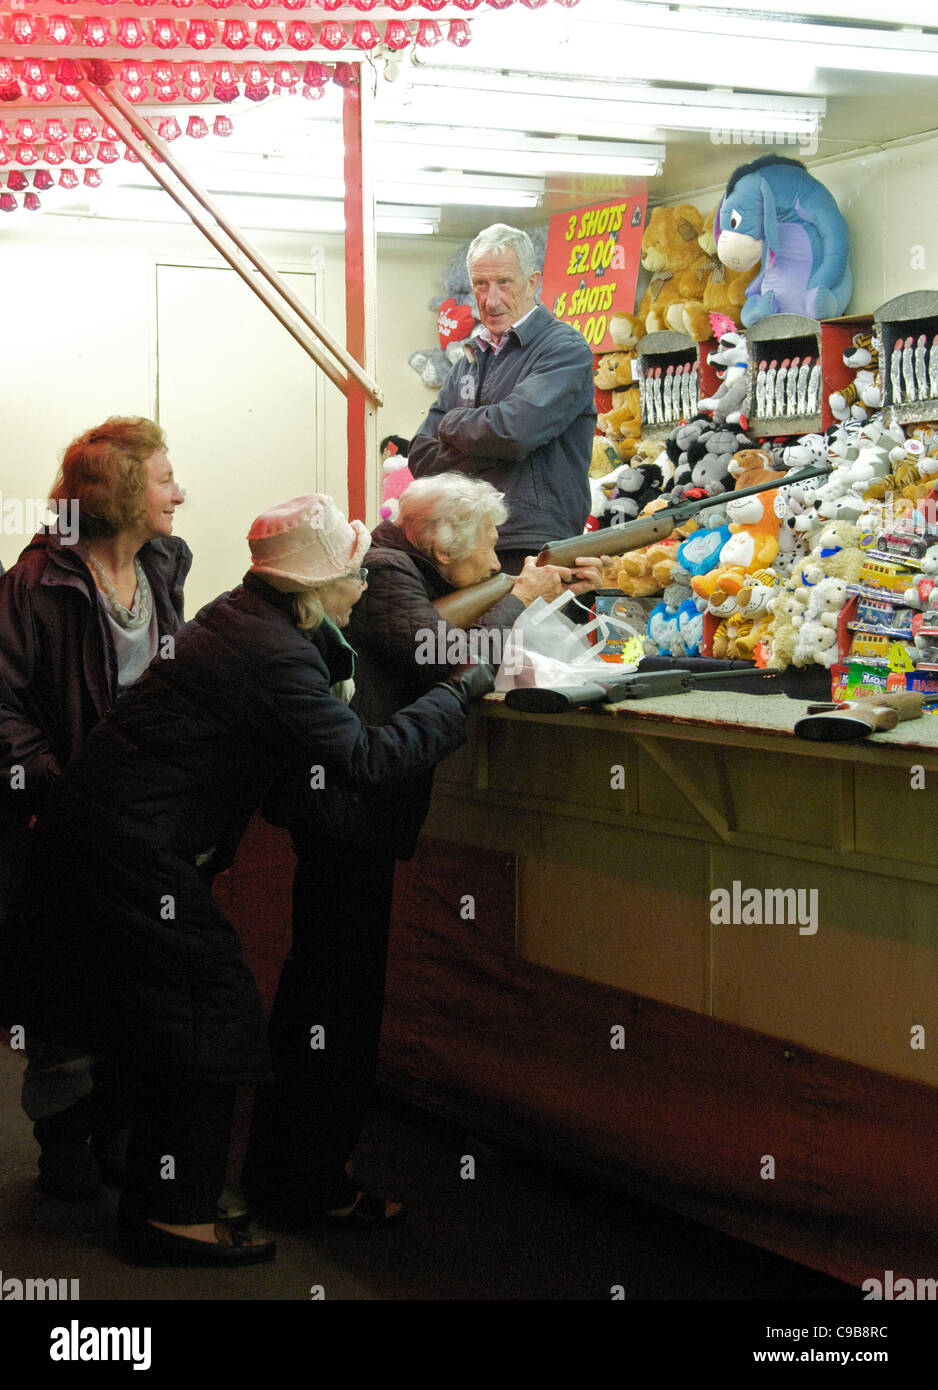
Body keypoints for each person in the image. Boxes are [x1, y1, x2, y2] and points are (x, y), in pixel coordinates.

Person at [4, 494, 489, 1266]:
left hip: (110, 839)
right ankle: (172, 1217)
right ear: (312, 588)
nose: (364, 587)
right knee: (211, 1014)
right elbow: (366, 760)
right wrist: (456, 692)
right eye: (353, 575)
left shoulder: (247, 616)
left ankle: (164, 1195)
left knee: (179, 1018)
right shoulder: (273, 651)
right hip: (130, 850)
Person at [243, 473, 602, 1226]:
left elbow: (479, 643)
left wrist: (558, 595)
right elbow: (446, 654)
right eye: (490, 548)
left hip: (345, 814)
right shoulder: (383, 574)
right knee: (335, 1002)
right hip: (348, 814)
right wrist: (521, 594)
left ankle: (295, 1172)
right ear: (443, 542)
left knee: (327, 995)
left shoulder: (395, 568)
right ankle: (307, 1182)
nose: (499, 557)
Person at [0, 416, 189, 1202]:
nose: (180, 492)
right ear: (117, 493)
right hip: (61, 823)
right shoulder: (34, 583)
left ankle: (115, 1132)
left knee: (134, 982)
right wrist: (59, 788)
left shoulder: (165, 563)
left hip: (143, 825)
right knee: (64, 991)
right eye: (163, 478)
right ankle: (64, 1143)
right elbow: (3, 712)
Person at [408, 223, 596, 573]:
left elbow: (513, 433)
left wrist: (453, 425)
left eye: (504, 282)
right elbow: (420, 455)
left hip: (533, 543)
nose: (491, 299)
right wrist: (487, 446)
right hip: (468, 543)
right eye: (481, 284)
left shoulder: (563, 349)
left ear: (533, 281)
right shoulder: (471, 358)